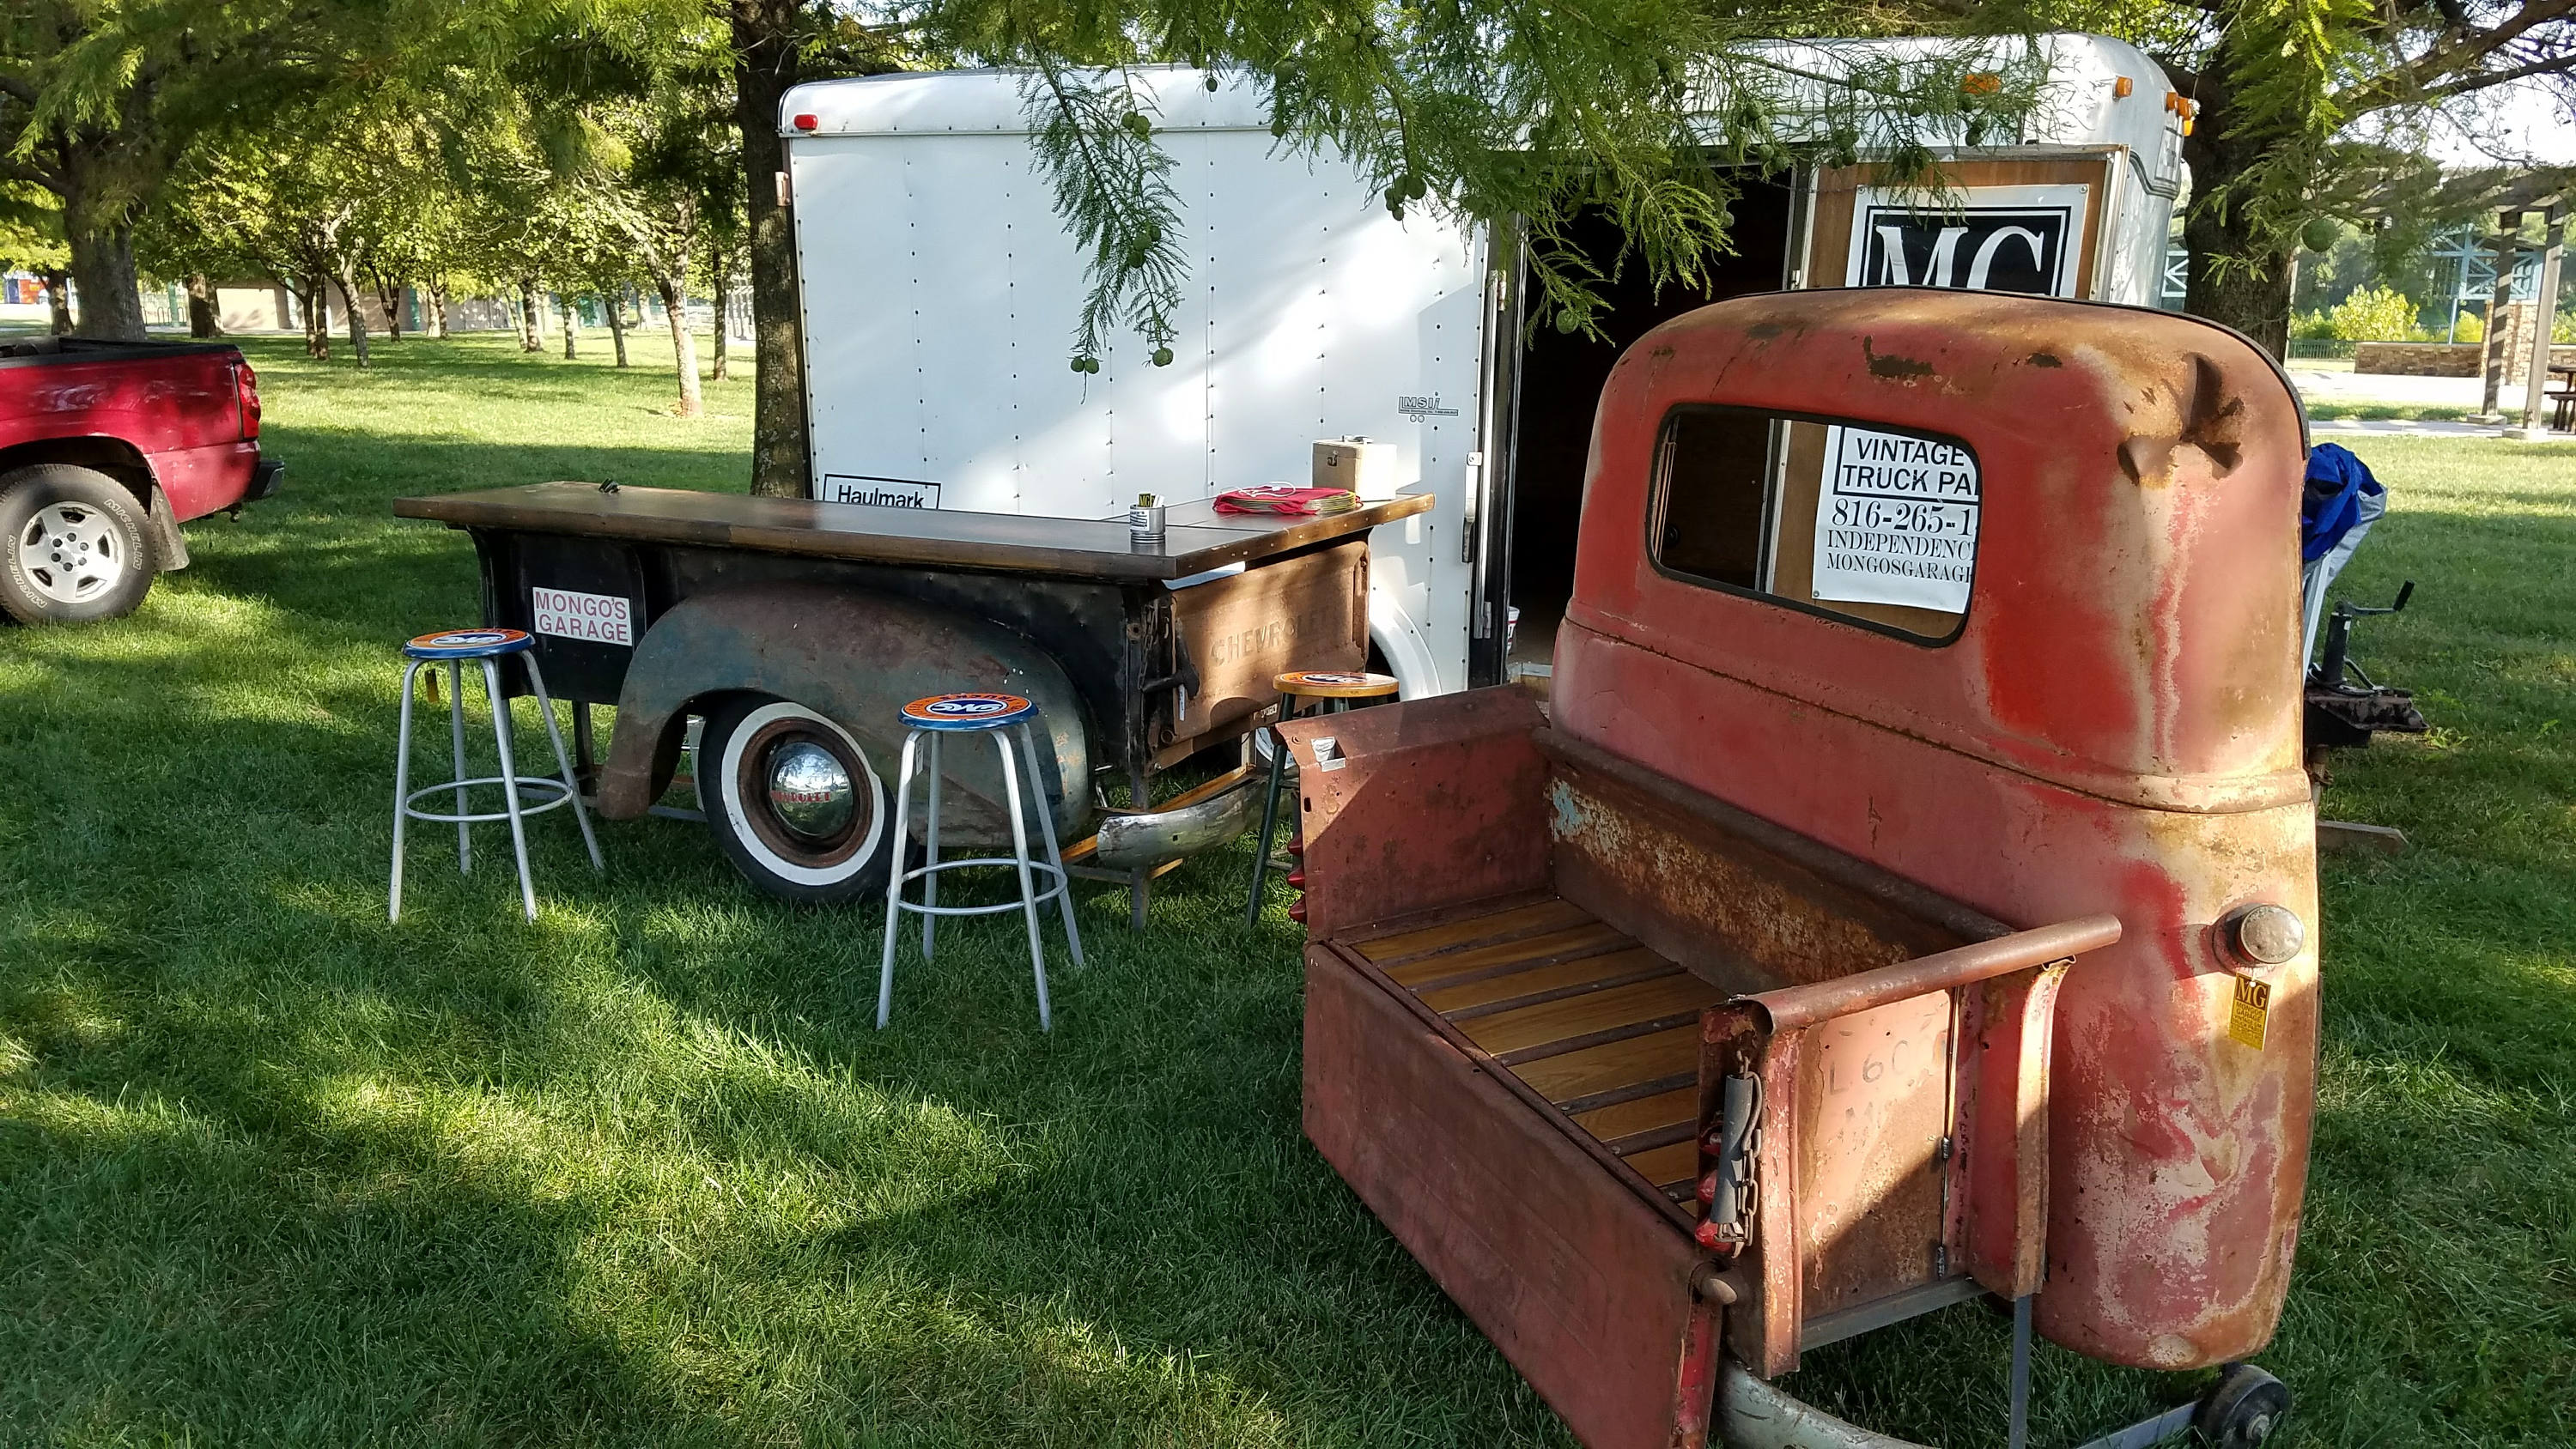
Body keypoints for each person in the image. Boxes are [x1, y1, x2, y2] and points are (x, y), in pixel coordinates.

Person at [2299, 442, 2385, 675]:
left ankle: (2297, 666)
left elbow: (2321, 537)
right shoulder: (2302, 476)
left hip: (2361, 503)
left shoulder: (2339, 494)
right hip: (2340, 493)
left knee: (2304, 587)